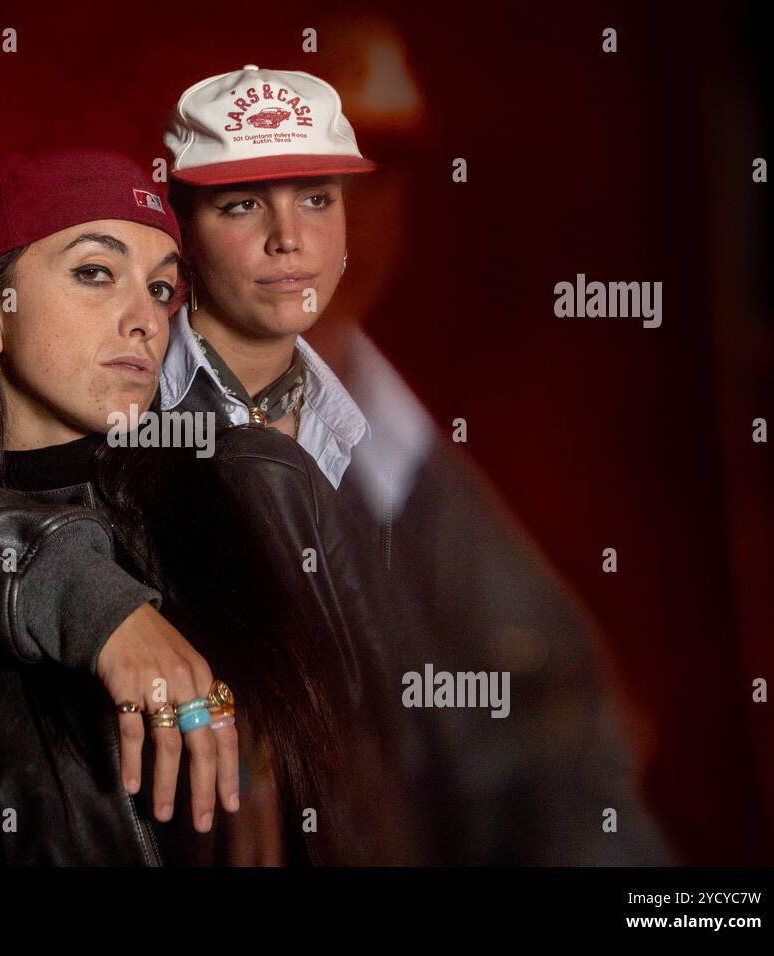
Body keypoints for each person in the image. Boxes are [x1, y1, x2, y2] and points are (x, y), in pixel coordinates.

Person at [0, 147, 402, 865]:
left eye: (163, 289)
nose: (145, 319)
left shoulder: (264, 484)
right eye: (94, 273)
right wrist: (102, 613)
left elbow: (401, 783)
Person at [159, 60, 672, 864]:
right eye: (264, 186)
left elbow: (563, 765)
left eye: (367, 172)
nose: (314, 220)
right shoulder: (148, 456)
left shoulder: (419, 462)